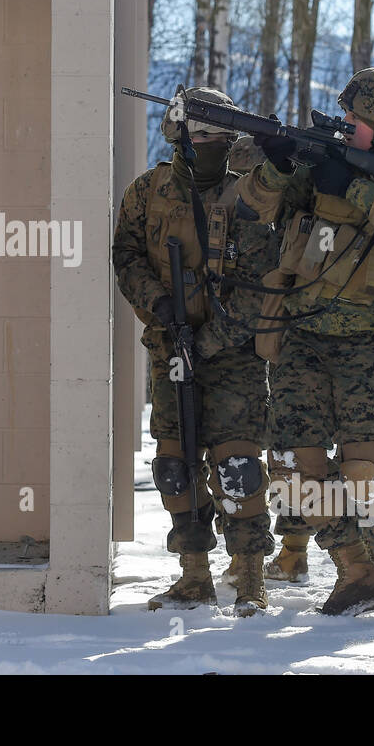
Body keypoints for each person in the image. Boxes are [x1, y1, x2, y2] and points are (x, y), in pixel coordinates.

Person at [237, 67, 374, 630]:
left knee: (367, 472)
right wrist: (279, 164)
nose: (345, 126)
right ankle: (357, 571)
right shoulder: (321, 160)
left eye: (356, 120)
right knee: (295, 471)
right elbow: (252, 205)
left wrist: (353, 186)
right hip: (303, 336)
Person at [113, 87, 281, 615]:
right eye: (198, 132)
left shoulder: (248, 198)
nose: (206, 142)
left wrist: (207, 340)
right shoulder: (146, 192)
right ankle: (193, 574)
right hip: (170, 347)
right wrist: (161, 307)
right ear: (178, 134)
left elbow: (259, 286)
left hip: (231, 354)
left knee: (238, 467)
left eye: (217, 134)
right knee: (174, 465)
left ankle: (250, 576)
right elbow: (127, 255)